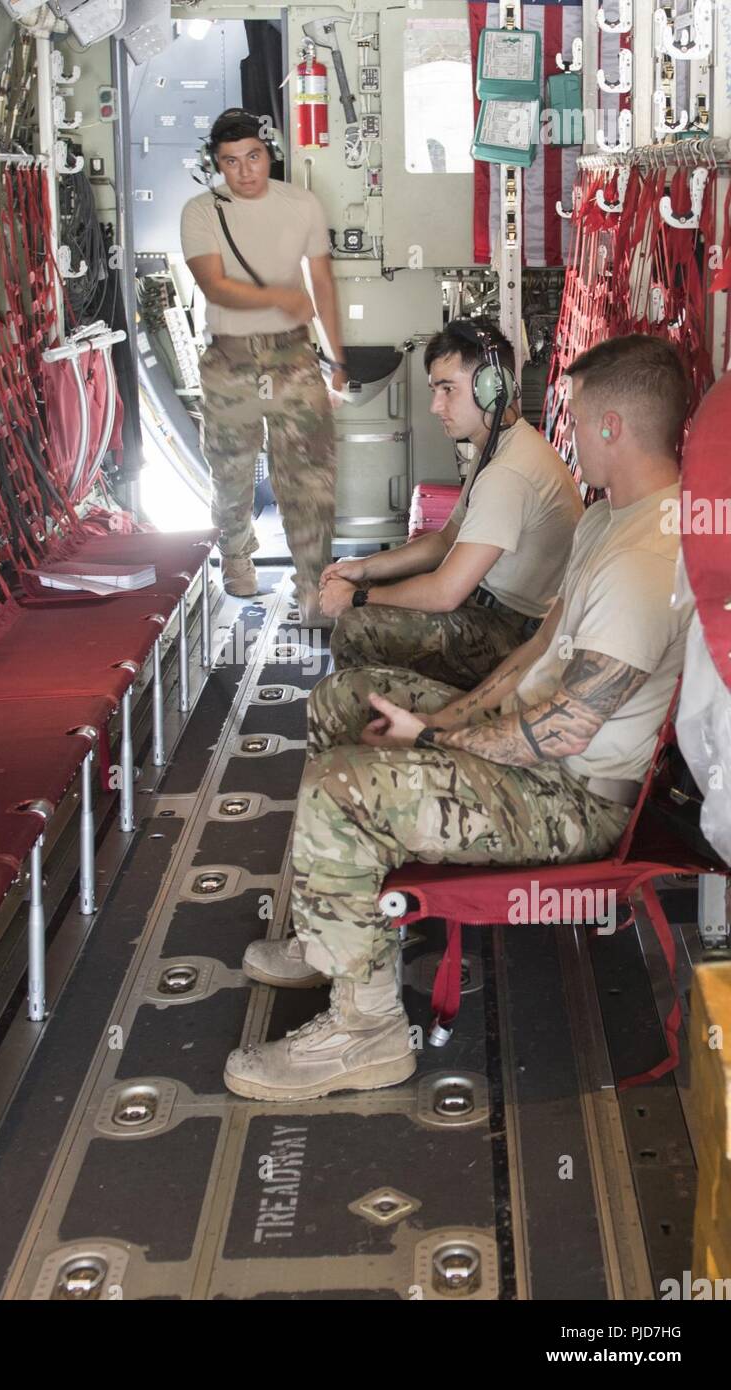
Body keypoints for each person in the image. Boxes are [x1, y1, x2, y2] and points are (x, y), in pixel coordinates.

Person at [224, 334, 694, 1102]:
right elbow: (534, 650)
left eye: (577, 417)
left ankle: (366, 1032)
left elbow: (567, 731)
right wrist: (455, 715)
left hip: (574, 798)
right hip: (532, 750)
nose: (566, 430)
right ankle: (335, 933)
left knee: (343, 790)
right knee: (344, 701)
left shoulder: (648, 555)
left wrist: (436, 737)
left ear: (614, 427)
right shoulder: (613, 520)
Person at [320, 320, 584, 688]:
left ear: (493, 388)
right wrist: (362, 569)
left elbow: (445, 593)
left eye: (448, 390)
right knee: (381, 586)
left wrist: (356, 599)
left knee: (355, 627)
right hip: (492, 607)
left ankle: (374, 722)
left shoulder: (508, 472)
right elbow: (445, 541)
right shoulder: (497, 446)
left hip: (513, 635)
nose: (434, 406)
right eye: (434, 390)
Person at [180, 108, 347, 623]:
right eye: (230, 161)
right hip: (231, 357)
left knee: (309, 475)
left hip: (293, 354)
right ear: (217, 165)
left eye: (252, 156)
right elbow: (214, 285)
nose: (245, 171)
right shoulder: (201, 211)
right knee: (231, 471)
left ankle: (313, 584)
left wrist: (338, 357)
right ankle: (235, 553)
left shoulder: (302, 204)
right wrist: (280, 297)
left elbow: (322, 283)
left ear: (268, 153)